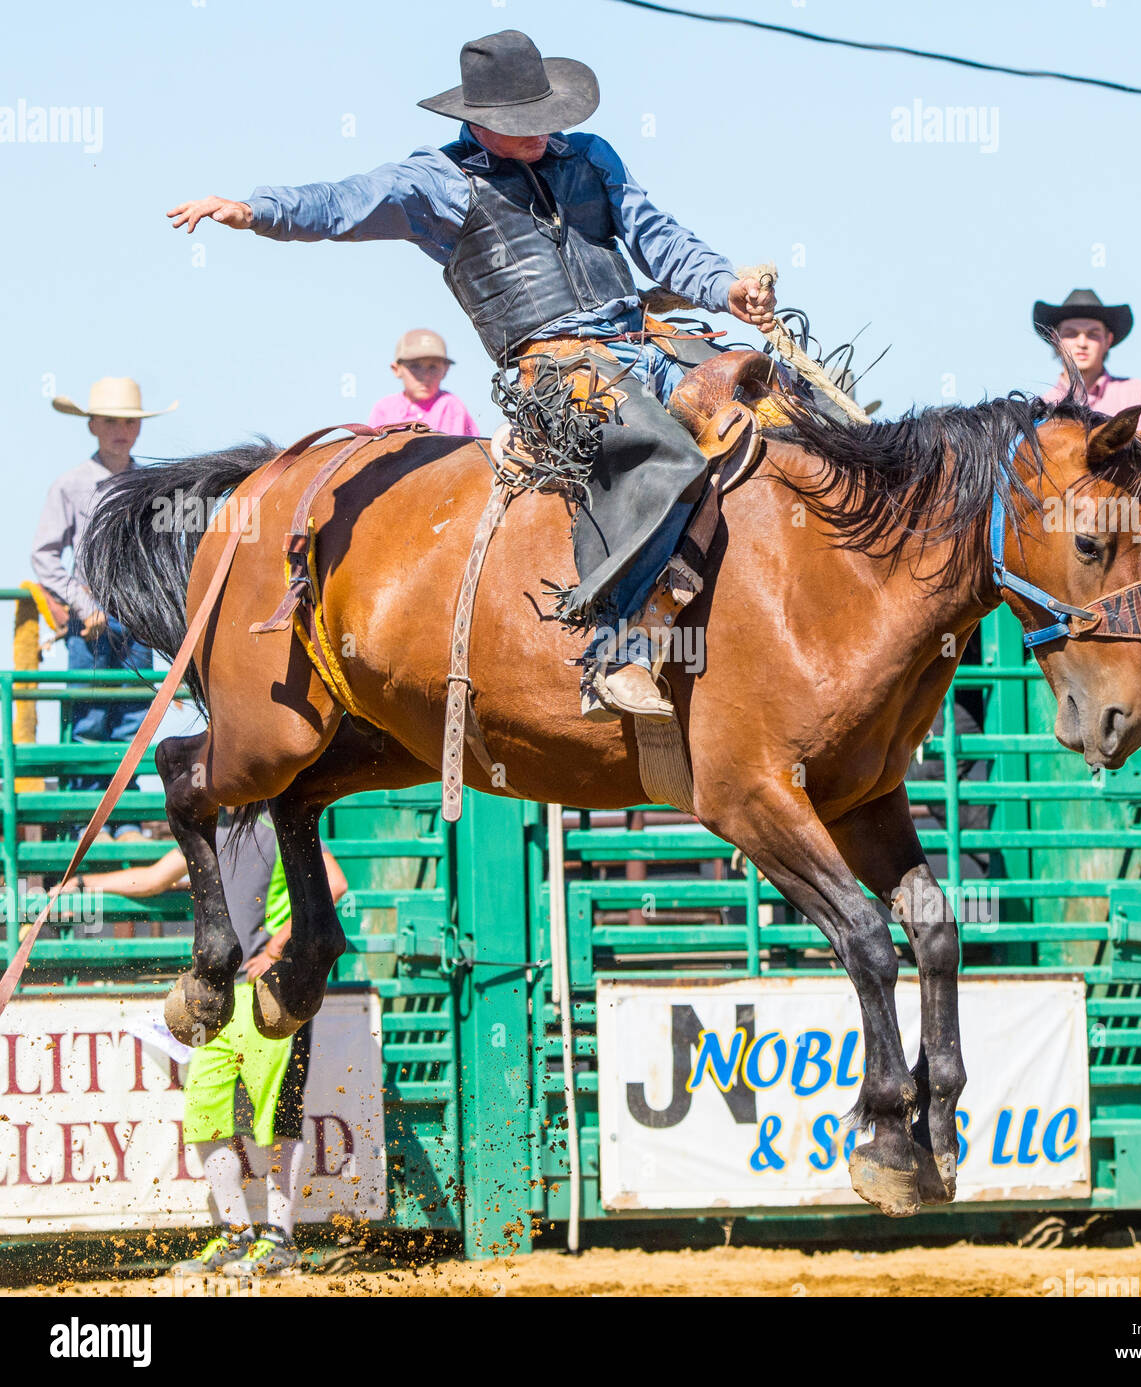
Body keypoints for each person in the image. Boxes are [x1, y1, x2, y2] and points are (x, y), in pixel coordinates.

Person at [165, 29, 776, 723]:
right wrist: (259, 211)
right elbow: (348, 201)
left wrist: (724, 285)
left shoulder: (594, 157)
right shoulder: (441, 182)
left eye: (545, 118)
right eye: (522, 126)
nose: (540, 134)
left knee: (776, 399)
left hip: (646, 340)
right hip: (556, 370)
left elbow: (657, 236)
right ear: (478, 122)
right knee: (657, 454)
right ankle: (617, 649)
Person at [77, 810, 348, 1276]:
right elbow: (154, 878)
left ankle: (279, 1239)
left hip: (274, 994)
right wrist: (78, 888)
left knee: (279, 1113)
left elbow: (336, 884)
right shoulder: (211, 832)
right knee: (204, 1111)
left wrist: (279, 947)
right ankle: (237, 1232)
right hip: (222, 1000)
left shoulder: (282, 825)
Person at [32, 378, 172, 830]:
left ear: (139, 429)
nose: (120, 429)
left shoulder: (152, 484)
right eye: (111, 420)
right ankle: (89, 826)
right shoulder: (71, 485)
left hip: (137, 621)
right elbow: (44, 554)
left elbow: (160, 552)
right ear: (92, 425)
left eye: (129, 421)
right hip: (92, 626)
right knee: (91, 725)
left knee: (131, 724)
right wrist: (81, 603)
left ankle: (123, 822)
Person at [1034, 288, 1141, 531]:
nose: (1082, 342)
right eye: (1071, 334)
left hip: (1133, 530)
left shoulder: (1140, 397)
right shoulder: (1040, 411)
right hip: (1062, 534)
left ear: (1108, 340)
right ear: (1056, 339)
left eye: (1093, 334)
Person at [368, 328, 478, 435]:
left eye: (433, 367)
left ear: (445, 370)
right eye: (414, 366)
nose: (425, 376)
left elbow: (463, 451)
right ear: (396, 369)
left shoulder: (451, 406)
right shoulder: (384, 408)